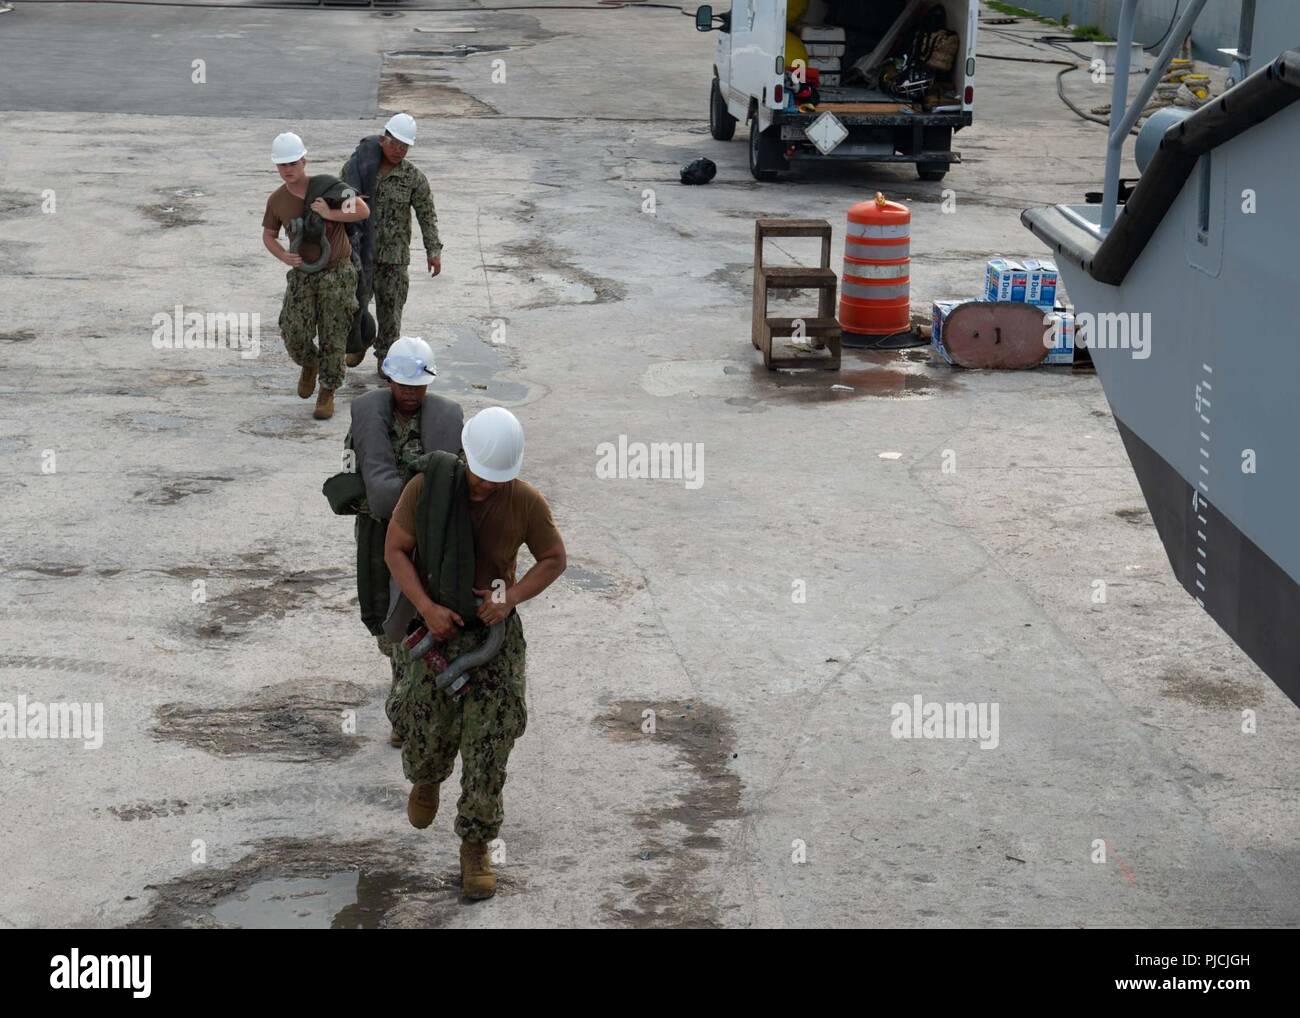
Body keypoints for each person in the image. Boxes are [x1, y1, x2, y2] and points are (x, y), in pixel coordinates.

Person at [384, 407, 566, 899]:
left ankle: (476, 846)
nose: (487, 486)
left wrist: (512, 598)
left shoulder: (524, 501)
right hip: (433, 625)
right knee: (422, 727)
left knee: (492, 737)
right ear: (465, 456)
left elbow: (553, 558)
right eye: (481, 477)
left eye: (498, 480)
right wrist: (425, 605)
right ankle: (426, 776)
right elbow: (395, 549)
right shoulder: (427, 489)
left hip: (491, 635)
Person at [345, 337, 463, 746]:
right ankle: (406, 691)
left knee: (416, 619)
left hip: (430, 538)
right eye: (404, 385)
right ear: (389, 381)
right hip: (378, 534)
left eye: (419, 386)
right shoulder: (368, 420)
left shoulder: (446, 421)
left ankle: (405, 712)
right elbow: (356, 477)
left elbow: (457, 480)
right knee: (386, 625)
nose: (411, 393)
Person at [262, 131, 369, 420]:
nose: (288, 170)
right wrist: (283, 255)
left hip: (336, 272)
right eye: (282, 165)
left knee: (334, 334)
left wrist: (329, 213)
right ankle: (310, 363)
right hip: (302, 275)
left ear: (304, 161)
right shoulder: (277, 200)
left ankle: (328, 391)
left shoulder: (328, 187)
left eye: (293, 163)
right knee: (293, 331)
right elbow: (269, 235)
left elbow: (362, 209)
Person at [339, 113, 443, 379]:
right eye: (395, 144)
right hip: (360, 256)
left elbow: (426, 214)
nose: (399, 151)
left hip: (394, 260)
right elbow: (340, 208)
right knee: (353, 308)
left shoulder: (413, 178)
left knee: (391, 315)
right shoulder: (357, 170)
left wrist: (434, 251)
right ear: (383, 139)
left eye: (405, 147)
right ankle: (358, 342)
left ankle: (385, 360)